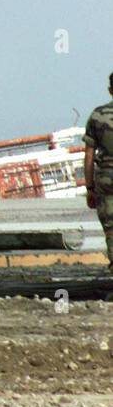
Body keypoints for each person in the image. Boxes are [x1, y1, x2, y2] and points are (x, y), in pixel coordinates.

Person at [84, 73, 113, 265]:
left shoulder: (97, 115)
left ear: (110, 90)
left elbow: (88, 156)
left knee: (111, 229)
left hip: (105, 178)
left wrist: (89, 188)